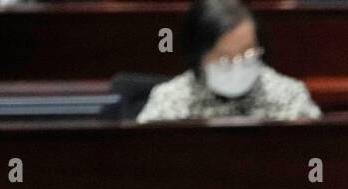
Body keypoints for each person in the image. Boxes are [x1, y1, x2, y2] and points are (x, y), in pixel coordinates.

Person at [137, 0, 320, 122]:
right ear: (197, 57)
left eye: (247, 52)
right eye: (224, 58)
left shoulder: (289, 97)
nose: (238, 65)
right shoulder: (168, 103)